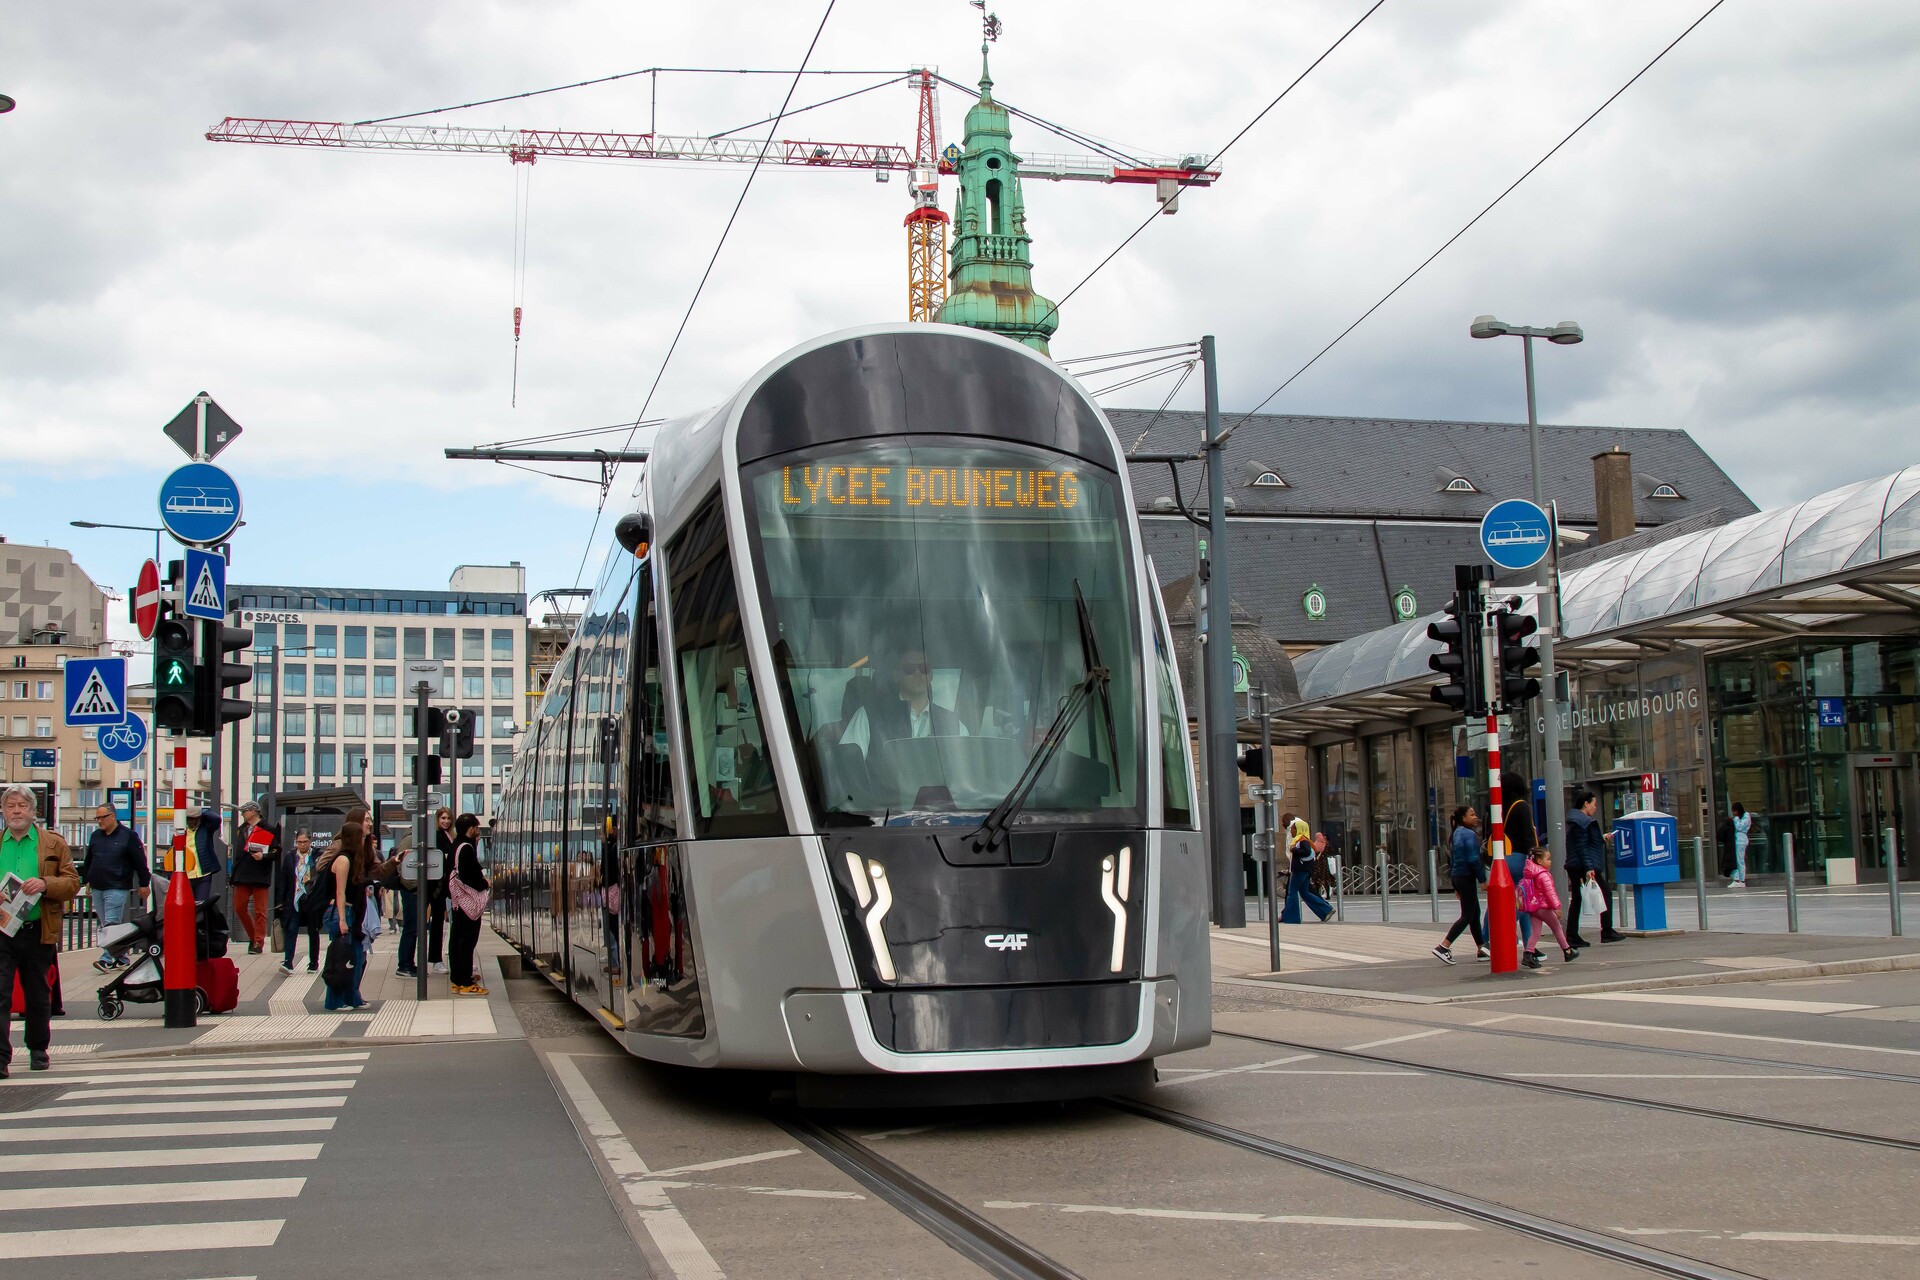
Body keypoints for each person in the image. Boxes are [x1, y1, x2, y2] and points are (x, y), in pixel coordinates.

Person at [0, 785, 81, 1077]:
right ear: (3, 810)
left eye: (22, 805)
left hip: (38, 928)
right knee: (1, 994)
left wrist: (46, 883)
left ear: (33, 811)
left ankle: (38, 1049)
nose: (16, 811)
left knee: (37, 992)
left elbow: (73, 882)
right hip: (3, 931)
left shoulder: (52, 843)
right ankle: (0, 1058)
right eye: (11, 806)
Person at [839, 646, 968, 755]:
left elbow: (969, 775)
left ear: (931, 675)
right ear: (896, 675)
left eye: (924, 668)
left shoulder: (954, 725)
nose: (918, 673)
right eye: (910, 669)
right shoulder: (868, 717)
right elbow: (849, 768)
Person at [82, 801, 149, 970]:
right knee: (106, 924)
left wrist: (144, 883)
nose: (99, 821)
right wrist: (86, 880)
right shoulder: (96, 836)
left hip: (117, 886)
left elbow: (140, 861)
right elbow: (89, 859)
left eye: (101, 818)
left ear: (112, 816)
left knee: (111, 923)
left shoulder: (128, 836)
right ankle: (122, 957)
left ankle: (107, 958)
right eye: (96, 818)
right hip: (98, 885)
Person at [320, 820, 374, 1010]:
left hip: (351, 911)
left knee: (357, 957)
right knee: (342, 957)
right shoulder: (343, 859)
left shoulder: (354, 859)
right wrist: (342, 919)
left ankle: (353, 997)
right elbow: (340, 892)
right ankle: (335, 1000)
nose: (363, 839)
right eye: (361, 836)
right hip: (341, 911)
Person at [1564, 788, 1623, 946]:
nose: (1595, 808)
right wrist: (1589, 868)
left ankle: (1573, 935)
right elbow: (1582, 847)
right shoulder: (1580, 822)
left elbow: (1586, 844)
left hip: (1578, 865)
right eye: (1594, 804)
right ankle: (1606, 931)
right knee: (1605, 893)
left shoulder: (1578, 821)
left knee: (1577, 899)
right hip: (1582, 866)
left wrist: (1603, 838)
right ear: (1586, 804)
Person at [1433, 805, 1490, 964]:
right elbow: (1473, 859)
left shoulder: (1457, 833)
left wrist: (1455, 885)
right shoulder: (1469, 835)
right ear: (1464, 818)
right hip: (1466, 877)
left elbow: (1454, 860)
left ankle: (1482, 948)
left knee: (1474, 914)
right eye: (1472, 814)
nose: (1475, 817)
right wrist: (1483, 880)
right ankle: (1444, 946)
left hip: (1458, 877)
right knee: (1467, 915)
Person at [446, 813, 490, 995]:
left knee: (456, 939)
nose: (477, 832)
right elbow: (470, 875)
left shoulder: (455, 845)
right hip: (467, 903)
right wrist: (484, 883)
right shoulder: (466, 848)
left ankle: (457, 979)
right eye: (477, 828)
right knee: (466, 941)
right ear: (471, 828)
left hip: (457, 902)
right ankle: (465, 982)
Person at [230, 800, 279, 955]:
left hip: (260, 874)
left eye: (244, 811)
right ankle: (253, 936)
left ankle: (258, 942)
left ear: (253, 811)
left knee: (260, 911)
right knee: (239, 907)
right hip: (242, 874)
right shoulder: (241, 830)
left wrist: (263, 856)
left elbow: (277, 851)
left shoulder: (269, 829)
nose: (242, 814)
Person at [1500, 772, 1539, 958]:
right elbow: (1528, 836)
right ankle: (1493, 938)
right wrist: (1535, 858)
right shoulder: (1521, 806)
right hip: (1519, 857)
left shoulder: (1498, 807)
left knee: (1517, 899)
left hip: (1502, 857)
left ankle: (1529, 945)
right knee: (1521, 900)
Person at [1520, 847, 1578, 968]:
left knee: (1536, 931)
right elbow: (1550, 893)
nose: (1550, 861)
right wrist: (1556, 907)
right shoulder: (1543, 875)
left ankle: (1528, 954)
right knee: (1557, 927)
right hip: (1544, 907)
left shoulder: (1529, 873)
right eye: (1548, 859)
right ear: (1540, 861)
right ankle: (1567, 951)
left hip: (1533, 908)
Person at [276, 830, 321, 974]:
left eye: (305, 842)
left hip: (311, 899)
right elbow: (283, 880)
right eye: (299, 842)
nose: (302, 845)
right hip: (293, 899)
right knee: (291, 929)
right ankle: (288, 961)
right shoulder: (290, 857)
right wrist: (280, 901)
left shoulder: (316, 855)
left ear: (310, 841)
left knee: (312, 931)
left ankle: (313, 962)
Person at [1280, 818, 1333, 923]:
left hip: (1300, 870)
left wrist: (1294, 849)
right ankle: (1325, 911)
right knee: (1305, 892)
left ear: (1299, 829)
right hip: (1304, 870)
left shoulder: (1301, 840)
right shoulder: (1304, 839)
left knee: (1292, 892)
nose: (1291, 831)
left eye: (1293, 829)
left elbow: (1306, 851)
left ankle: (1292, 918)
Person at [429, 807, 454, 975]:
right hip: (436, 886)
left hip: (443, 885)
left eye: (448, 818)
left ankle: (440, 959)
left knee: (441, 923)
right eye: (443, 818)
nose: (446, 821)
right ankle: (436, 959)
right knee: (437, 922)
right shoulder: (437, 836)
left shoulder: (447, 835)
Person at [186, 806, 226, 905]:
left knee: (201, 904)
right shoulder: (181, 833)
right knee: (187, 904)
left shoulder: (205, 829)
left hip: (203, 874)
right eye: (189, 819)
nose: (191, 822)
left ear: (199, 819)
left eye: (194, 819)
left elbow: (216, 819)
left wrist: (201, 813)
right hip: (186, 875)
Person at [1729, 802, 1751, 888]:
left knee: (1740, 860)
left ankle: (1741, 880)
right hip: (1737, 839)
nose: (1734, 813)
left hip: (1741, 839)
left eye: (1734, 811)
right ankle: (1736, 878)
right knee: (1737, 860)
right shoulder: (1739, 817)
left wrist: (1736, 819)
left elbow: (1739, 827)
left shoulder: (1746, 816)